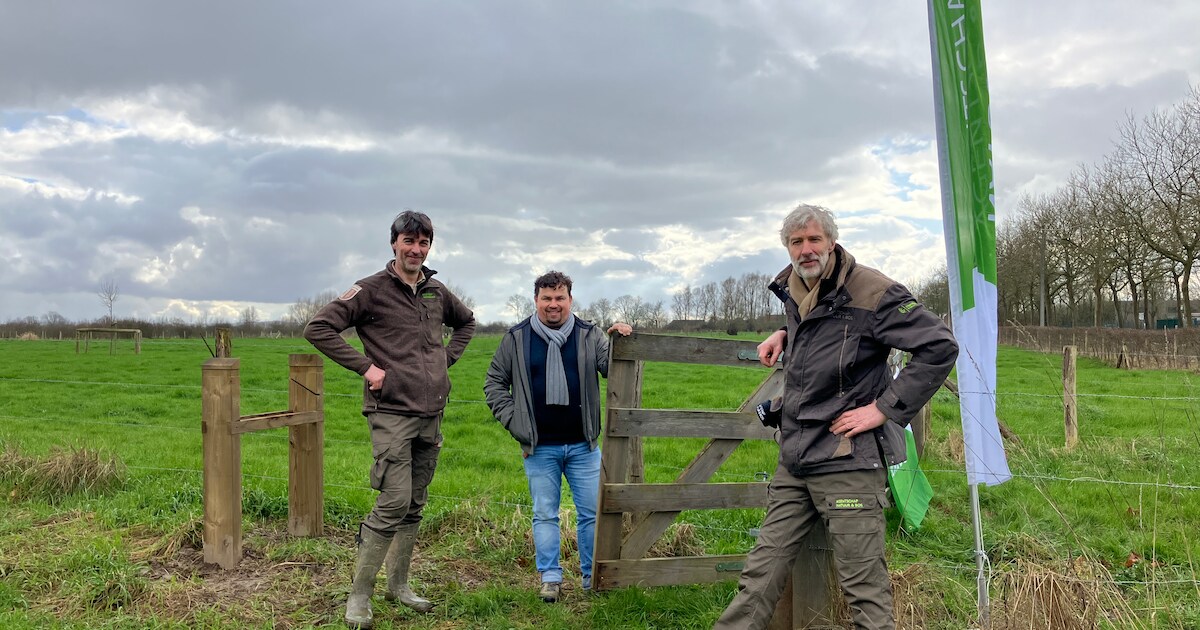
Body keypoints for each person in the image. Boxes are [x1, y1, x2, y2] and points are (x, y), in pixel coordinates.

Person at [714, 204, 958, 630]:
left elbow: (939, 346)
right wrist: (788, 332)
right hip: (796, 459)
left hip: (848, 460)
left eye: (814, 240)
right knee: (759, 577)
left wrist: (883, 410)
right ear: (787, 246)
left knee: (864, 589)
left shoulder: (873, 291)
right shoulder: (794, 288)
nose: (806, 250)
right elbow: (828, 334)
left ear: (831, 241)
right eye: (796, 242)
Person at [304, 210, 476, 630]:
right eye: (408, 241)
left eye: (423, 243)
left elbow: (467, 323)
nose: (416, 250)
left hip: (431, 412)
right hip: (392, 413)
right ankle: (359, 596)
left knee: (415, 503)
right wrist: (367, 368)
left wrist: (443, 361)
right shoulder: (370, 290)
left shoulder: (436, 291)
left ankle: (398, 586)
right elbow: (319, 328)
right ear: (393, 243)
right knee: (394, 500)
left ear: (429, 246)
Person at [483, 270, 632, 603]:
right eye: (546, 298)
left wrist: (621, 339)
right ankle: (550, 578)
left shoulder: (589, 334)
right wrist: (516, 423)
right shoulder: (516, 338)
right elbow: (494, 384)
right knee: (545, 514)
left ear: (570, 299)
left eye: (559, 298)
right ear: (536, 300)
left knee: (592, 512)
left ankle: (592, 576)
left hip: (583, 446)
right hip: (539, 448)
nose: (553, 304)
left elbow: (612, 368)